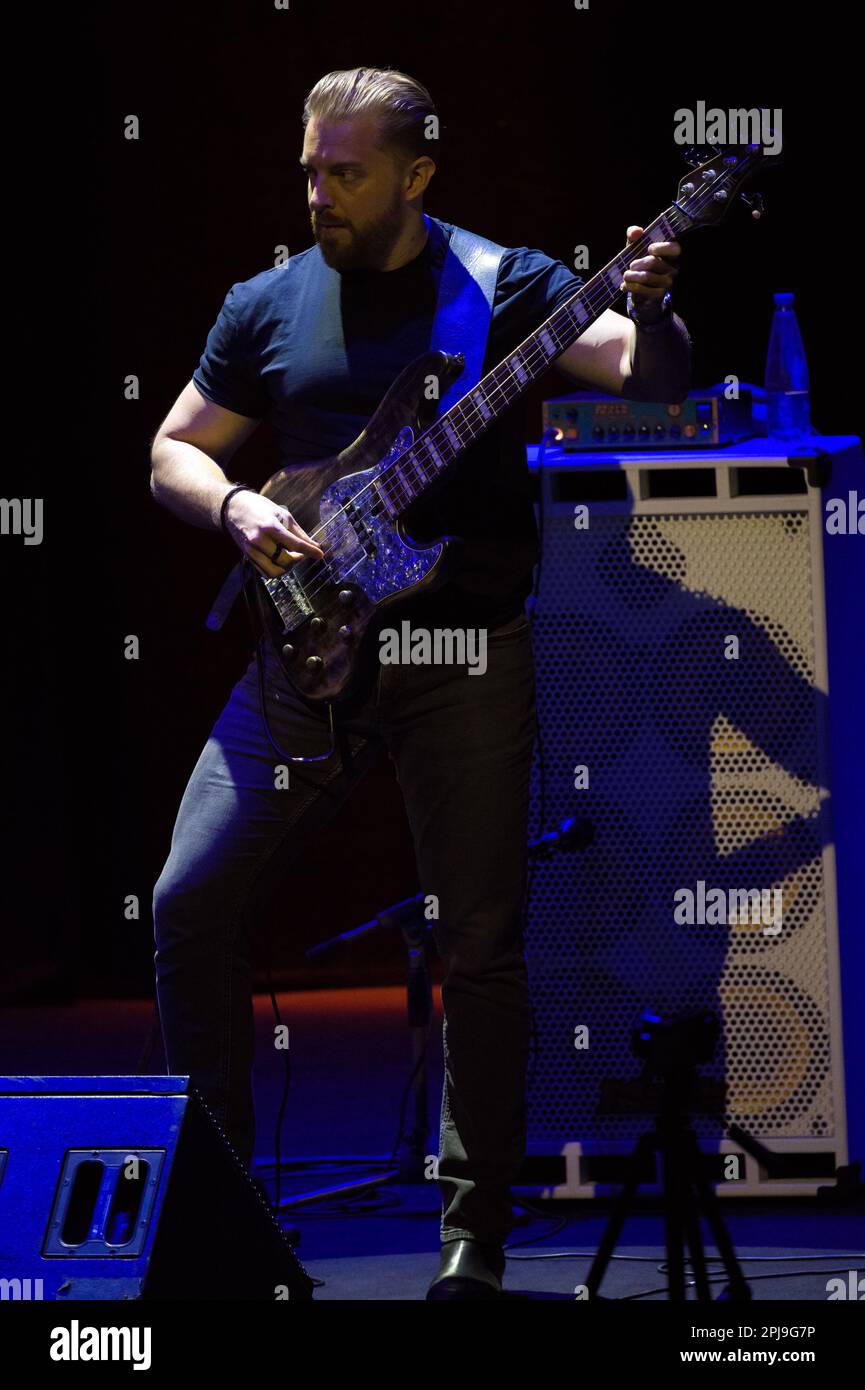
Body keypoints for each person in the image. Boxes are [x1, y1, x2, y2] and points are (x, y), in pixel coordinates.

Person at [149, 65, 691, 1300]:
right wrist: (237, 505)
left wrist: (655, 309)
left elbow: (648, 379)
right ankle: (221, 1206)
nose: (319, 192)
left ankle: (472, 1245)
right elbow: (169, 448)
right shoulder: (267, 301)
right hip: (301, 653)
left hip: (463, 654)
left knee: (480, 944)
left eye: (345, 171)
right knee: (189, 901)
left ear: (418, 175)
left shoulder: (505, 287)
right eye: (308, 167)